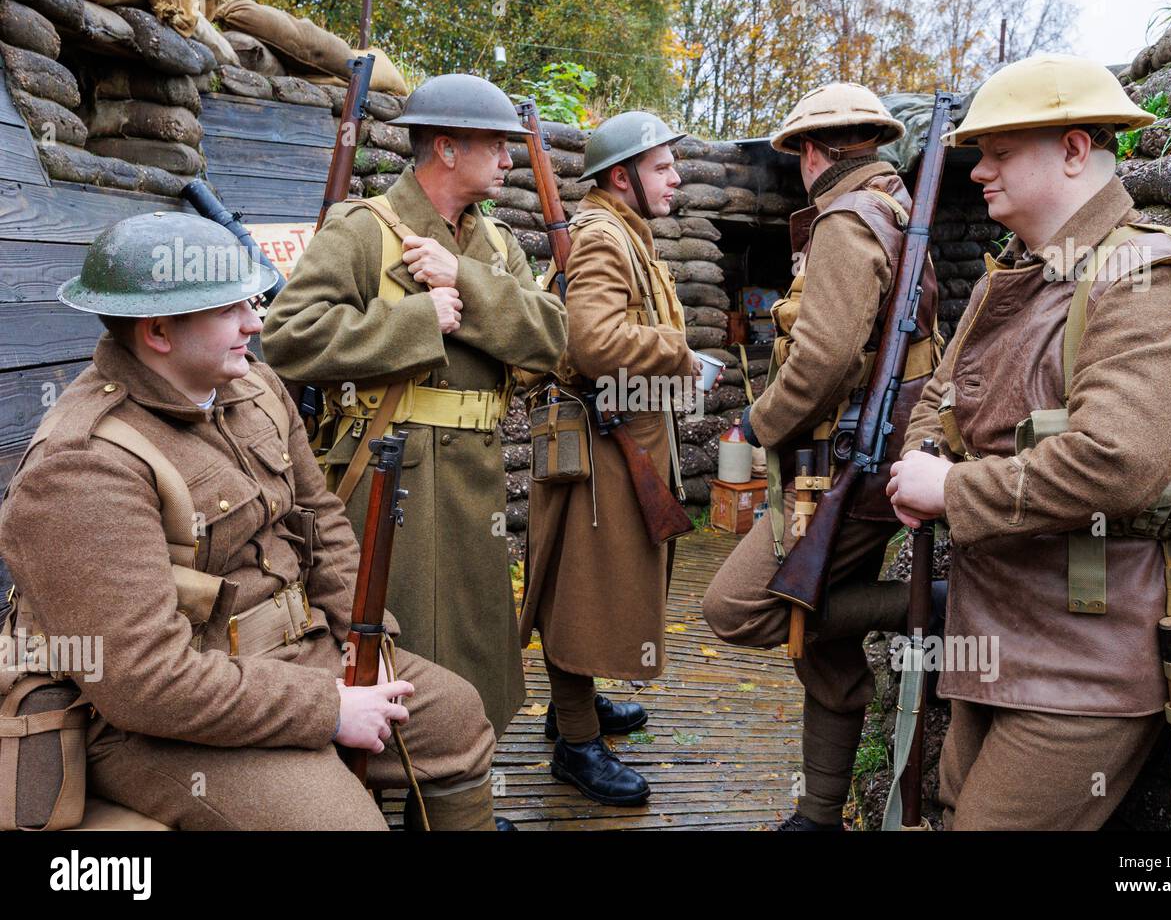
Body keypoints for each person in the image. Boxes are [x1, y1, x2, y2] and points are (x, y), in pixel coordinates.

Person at [0, 212, 501, 830]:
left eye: (251, 301)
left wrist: (367, 641)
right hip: (164, 722)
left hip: (303, 653)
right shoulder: (82, 466)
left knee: (455, 719)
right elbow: (142, 683)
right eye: (230, 309)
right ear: (157, 330)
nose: (255, 323)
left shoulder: (254, 386)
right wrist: (329, 708)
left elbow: (320, 520)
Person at [887, 54, 1171, 829]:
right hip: (996, 628)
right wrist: (925, 451)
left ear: (1072, 149)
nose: (978, 172)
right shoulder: (1019, 278)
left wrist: (952, 491)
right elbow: (939, 395)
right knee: (959, 809)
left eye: (1000, 152)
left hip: (1090, 652)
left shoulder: (1150, 280)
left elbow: (1117, 462)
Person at [261, 74, 568, 751]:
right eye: (497, 147)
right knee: (398, 643)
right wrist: (412, 320)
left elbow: (552, 340)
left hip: (475, 485)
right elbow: (286, 336)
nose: (511, 162)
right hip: (391, 471)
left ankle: (459, 789)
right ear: (449, 149)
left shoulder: (497, 248)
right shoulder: (362, 231)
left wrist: (466, 284)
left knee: (476, 647)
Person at [702, 83, 942, 830]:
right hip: (865, 450)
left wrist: (757, 422)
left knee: (733, 609)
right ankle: (818, 812)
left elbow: (825, 357)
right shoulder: (894, 207)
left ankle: (931, 606)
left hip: (843, 461)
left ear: (810, 152)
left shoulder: (846, 218)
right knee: (822, 648)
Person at [518, 110, 699, 806]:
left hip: (619, 445)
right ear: (622, 177)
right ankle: (575, 742)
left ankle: (581, 710)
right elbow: (594, 344)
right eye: (662, 166)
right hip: (596, 452)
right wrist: (679, 353)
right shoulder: (602, 238)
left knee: (595, 589)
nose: (676, 176)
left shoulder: (623, 233)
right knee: (578, 597)